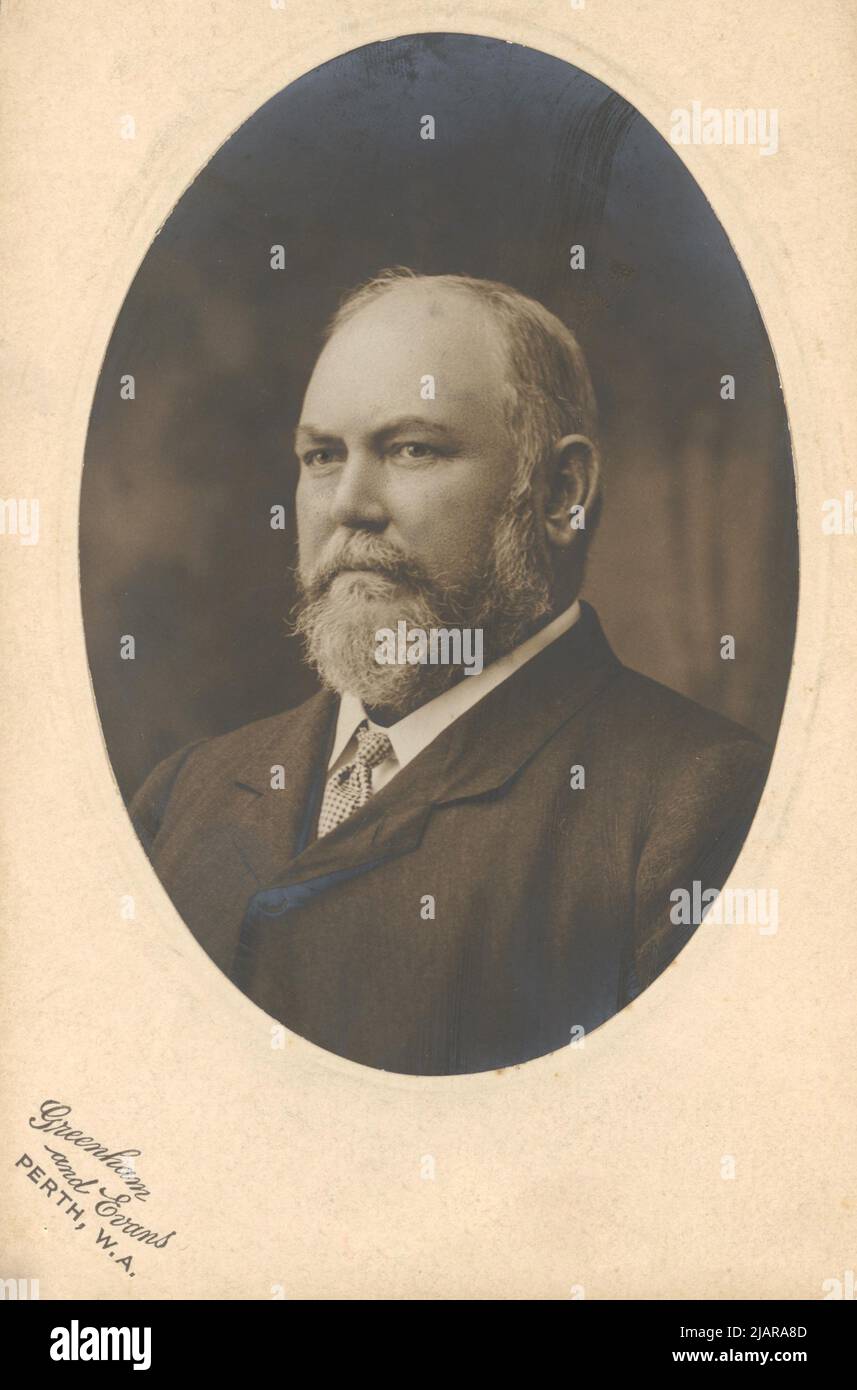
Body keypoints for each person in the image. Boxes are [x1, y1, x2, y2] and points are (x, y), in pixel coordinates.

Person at [130, 268, 770, 1075]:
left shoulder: (693, 807)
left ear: (559, 494)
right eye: (322, 456)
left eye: (411, 450)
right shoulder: (183, 792)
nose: (350, 505)